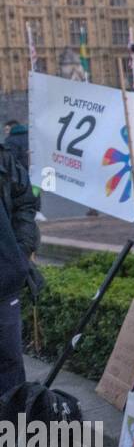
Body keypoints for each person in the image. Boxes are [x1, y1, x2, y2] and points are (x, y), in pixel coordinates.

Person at [0, 137, 41, 392]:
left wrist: (21, 249)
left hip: (4, 282)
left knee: (9, 362)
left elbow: (25, 200)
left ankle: (11, 426)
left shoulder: (3, 159)